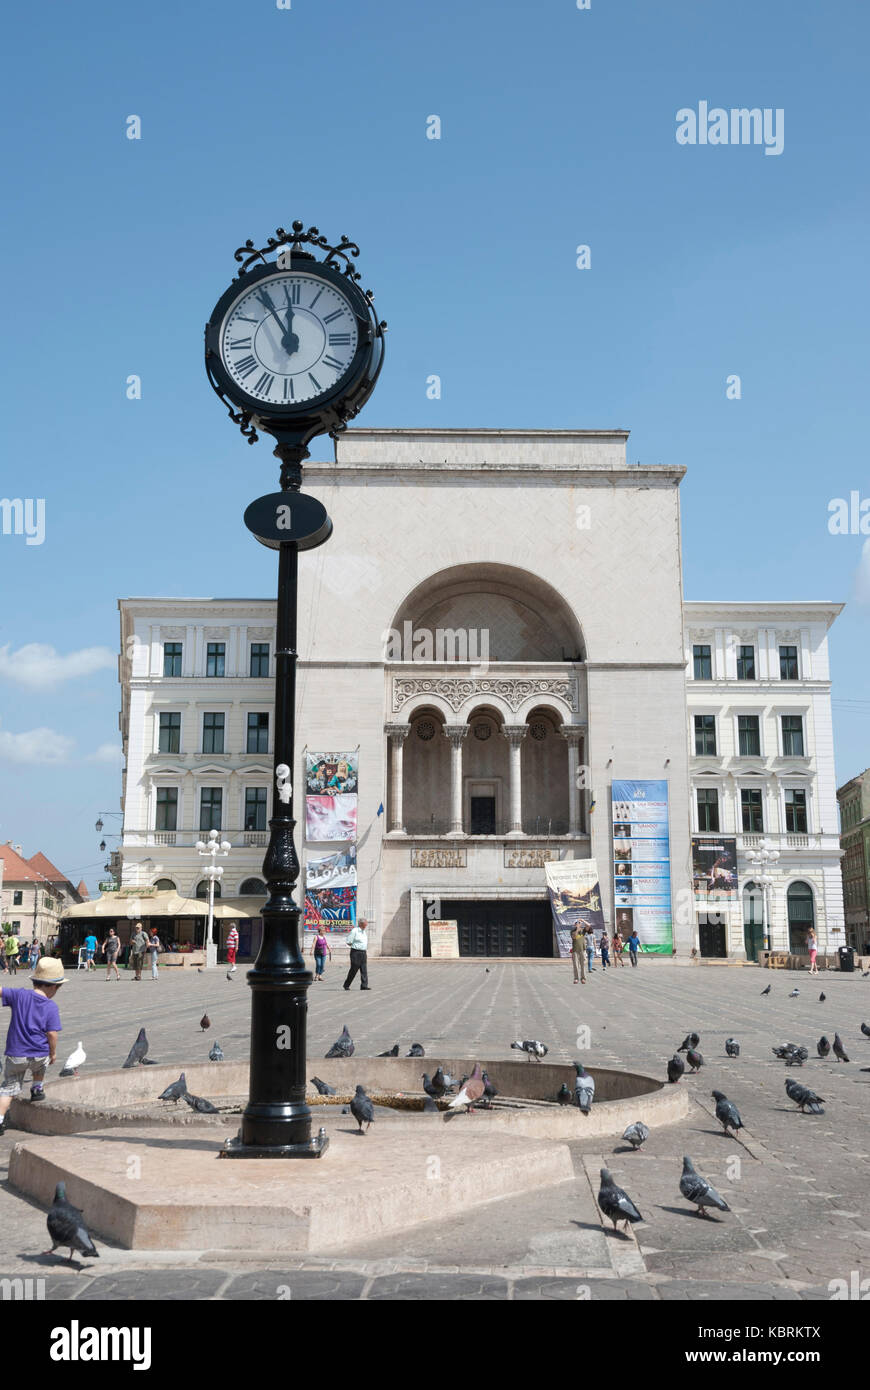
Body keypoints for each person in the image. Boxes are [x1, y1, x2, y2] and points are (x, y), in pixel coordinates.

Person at [0, 955, 66, 1136]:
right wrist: (52, 1054)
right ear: (53, 986)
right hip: (39, 1054)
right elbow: (52, 1034)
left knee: (8, 1089)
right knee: (41, 1065)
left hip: (16, 1054)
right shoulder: (51, 1007)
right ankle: (37, 1088)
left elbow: (1, 991)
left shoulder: (19, 995)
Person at [343, 918, 371, 991]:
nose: (367, 925)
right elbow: (349, 941)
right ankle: (346, 984)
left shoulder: (364, 932)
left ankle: (364, 985)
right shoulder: (355, 931)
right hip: (356, 952)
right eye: (366, 923)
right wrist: (355, 947)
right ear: (361, 924)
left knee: (364, 969)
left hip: (363, 952)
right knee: (354, 969)